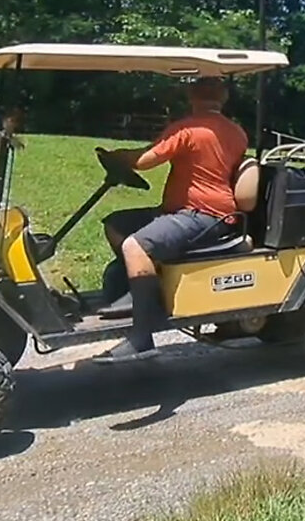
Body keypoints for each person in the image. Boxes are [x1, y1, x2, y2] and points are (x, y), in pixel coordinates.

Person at [92, 76, 248, 364]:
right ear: (223, 97)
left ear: (191, 95)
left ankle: (142, 338)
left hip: (201, 215)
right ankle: (138, 289)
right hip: (209, 212)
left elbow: (145, 161)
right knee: (116, 223)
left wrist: (117, 156)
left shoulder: (188, 128)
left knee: (134, 246)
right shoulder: (236, 132)